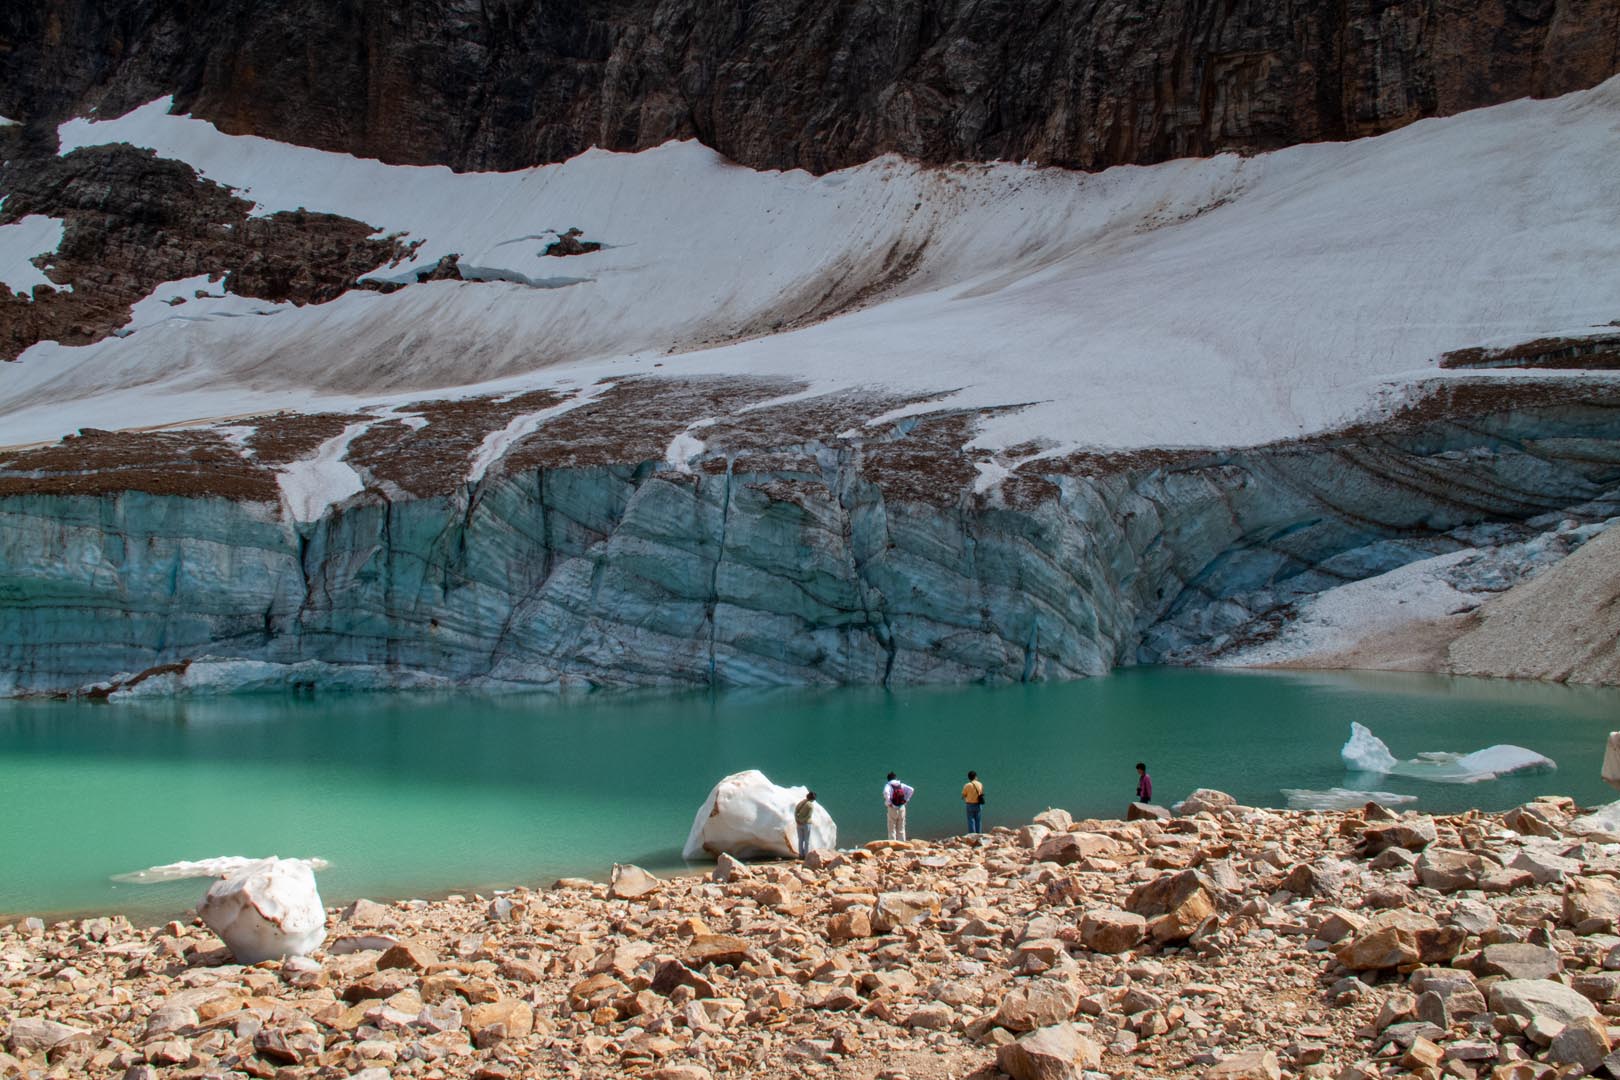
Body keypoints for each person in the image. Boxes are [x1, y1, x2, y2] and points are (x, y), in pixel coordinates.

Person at [883, 772, 914, 841]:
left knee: (892, 827)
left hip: (892, 808)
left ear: (888, 779)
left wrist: (889, 803)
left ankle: (893, 844)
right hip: (902, 807)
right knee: (901, 827)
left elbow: (886, 792)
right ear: (896, 778)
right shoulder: (901, 785)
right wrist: (906, 799)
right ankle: (902, 843)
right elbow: (911, 790)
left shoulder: (888, 786)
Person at [794, 791, 817, 860]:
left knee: (800, 840)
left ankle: (801, 855)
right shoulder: (810, 805)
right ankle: (806, 855)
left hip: (798, 823)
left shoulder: (801, 802)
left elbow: (796, 811)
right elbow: (808, 816)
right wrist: (803, 821)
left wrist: (797, 820)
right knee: (807, 840)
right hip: (806, 824)